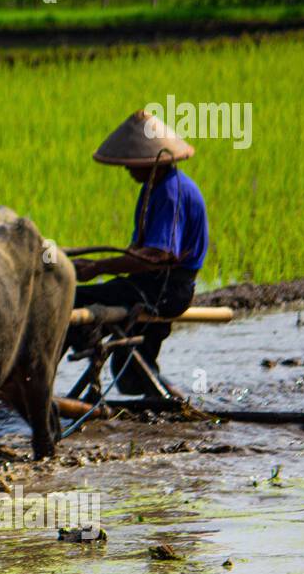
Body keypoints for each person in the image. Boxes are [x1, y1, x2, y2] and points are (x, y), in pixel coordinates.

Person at [68, 109, 209, 395]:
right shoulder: (153, 188)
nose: (127, 168)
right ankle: (167, 398)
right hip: (154, 285)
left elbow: (157, 257)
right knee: (130, 373)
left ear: (151, 161)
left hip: (167, 289)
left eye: (132, 162)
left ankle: (42, 381)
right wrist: (94, 264)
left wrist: (97, 268)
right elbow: (138, 251)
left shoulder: (171, 192)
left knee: (77, 299)